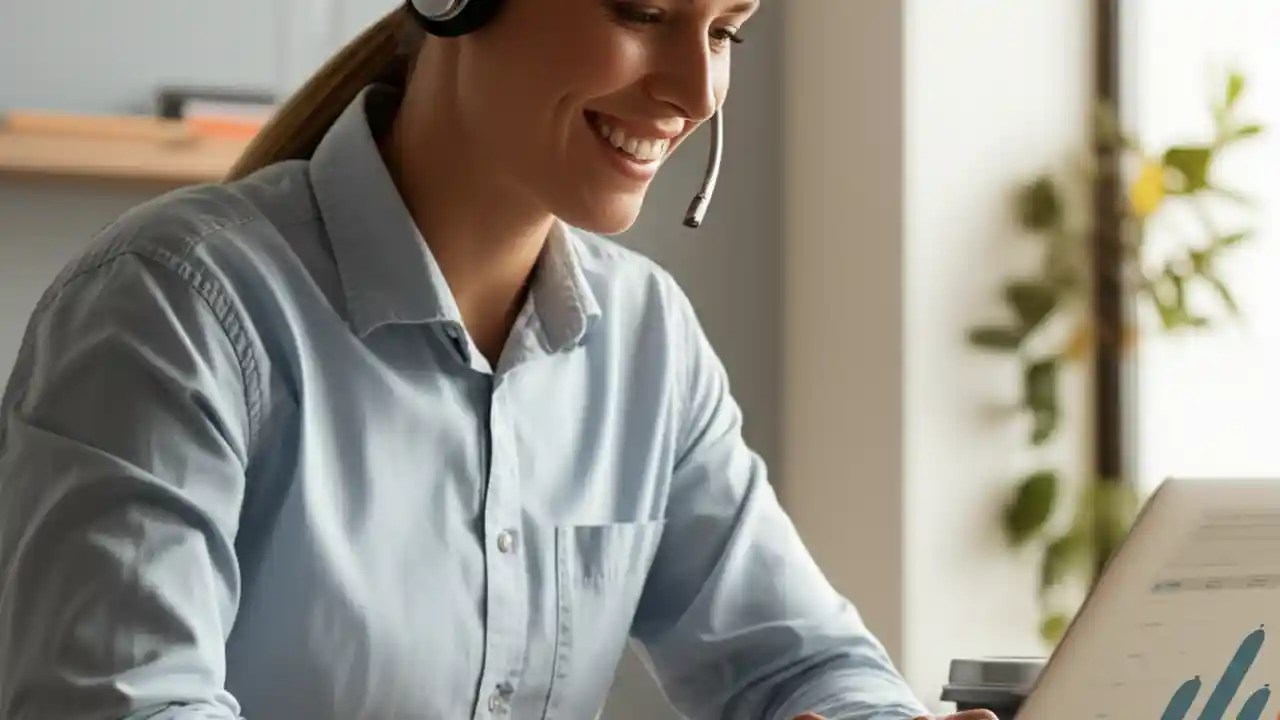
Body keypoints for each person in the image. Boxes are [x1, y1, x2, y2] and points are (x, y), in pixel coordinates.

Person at [0, 1, 998, 718]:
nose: (694, 89)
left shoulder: (645, 340)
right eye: (644, 12)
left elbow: (801, 666)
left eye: (725, 31)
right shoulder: (173, 306)